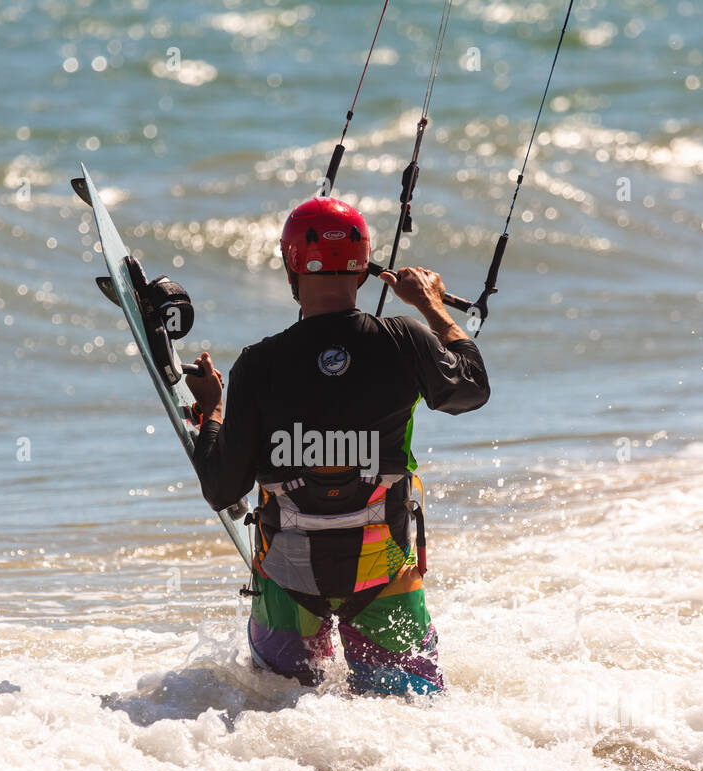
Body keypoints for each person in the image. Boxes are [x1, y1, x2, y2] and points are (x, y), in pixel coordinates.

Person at [188, 197, 490, 696]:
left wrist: (213, 412)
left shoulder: (257, 365)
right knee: (412, 722)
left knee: (279, 720)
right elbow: (472, 387)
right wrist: (429, 303)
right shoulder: (405, 341)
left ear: (291, 267)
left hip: (289, 585)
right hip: (384, 578)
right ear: (365, 270)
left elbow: (223, 488)